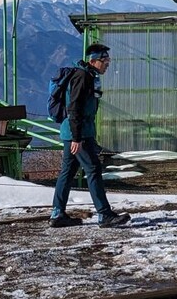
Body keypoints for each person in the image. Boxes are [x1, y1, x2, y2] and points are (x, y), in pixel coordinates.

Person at [50, 42, 131, 228]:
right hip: (78, 133)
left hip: (72, 131)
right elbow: (74, 107)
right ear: (94, 61)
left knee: (68, 172)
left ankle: (57, 213)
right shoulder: (83, 77)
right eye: (105, 61)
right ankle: (104, 214)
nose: (107, 64)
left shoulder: (87, 75)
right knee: (93, 169)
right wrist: (77, 138)